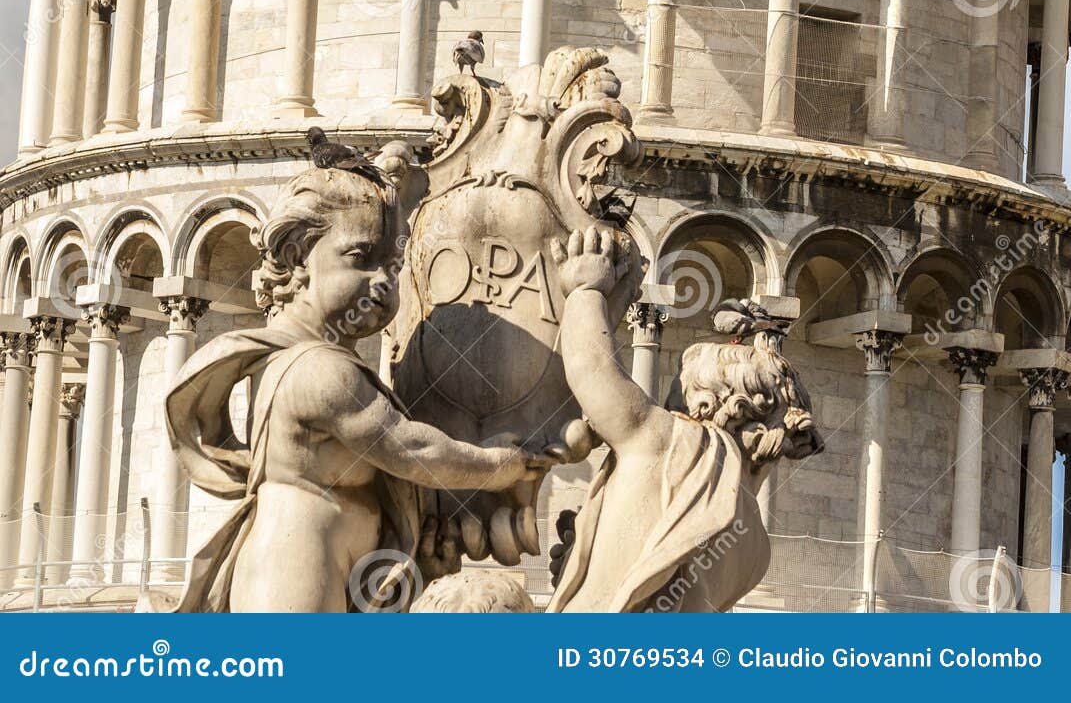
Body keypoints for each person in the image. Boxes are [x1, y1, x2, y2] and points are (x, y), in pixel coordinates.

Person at [166, 160, 541, 612]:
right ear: (295, 259)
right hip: (296, 572)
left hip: (343, 575)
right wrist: (498, 465)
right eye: (361, 259)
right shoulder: (318, 372)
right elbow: (415, 451)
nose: (382, 280)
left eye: (393, 266)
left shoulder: (306, 358)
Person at [546, 228, 822, 613]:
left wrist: (584, 289)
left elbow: (591, 370)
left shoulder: (669, 441)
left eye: (677, 381)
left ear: (704, 401)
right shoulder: (754, 540)